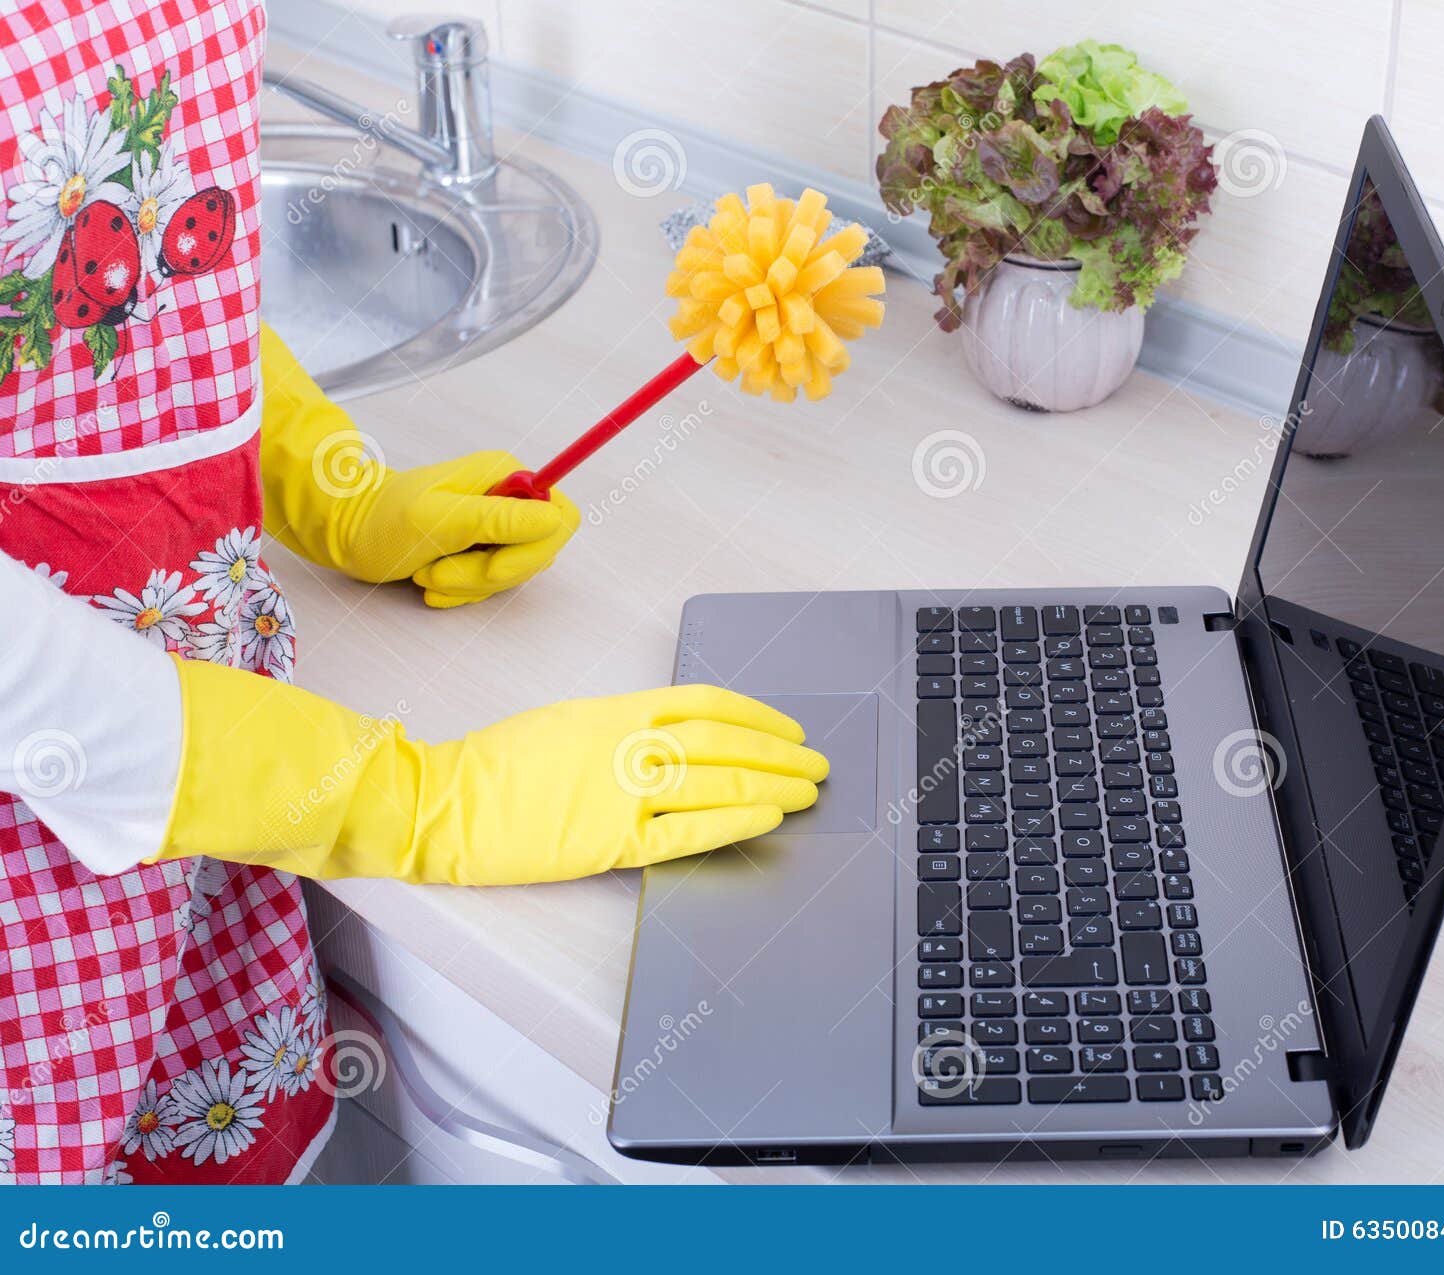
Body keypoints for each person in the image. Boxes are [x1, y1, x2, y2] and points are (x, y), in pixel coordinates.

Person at [0, 0, 825, 1185]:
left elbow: (148, 254)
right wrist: (422, 800)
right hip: (42, 877)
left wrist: (331, 486)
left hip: (209, 794)